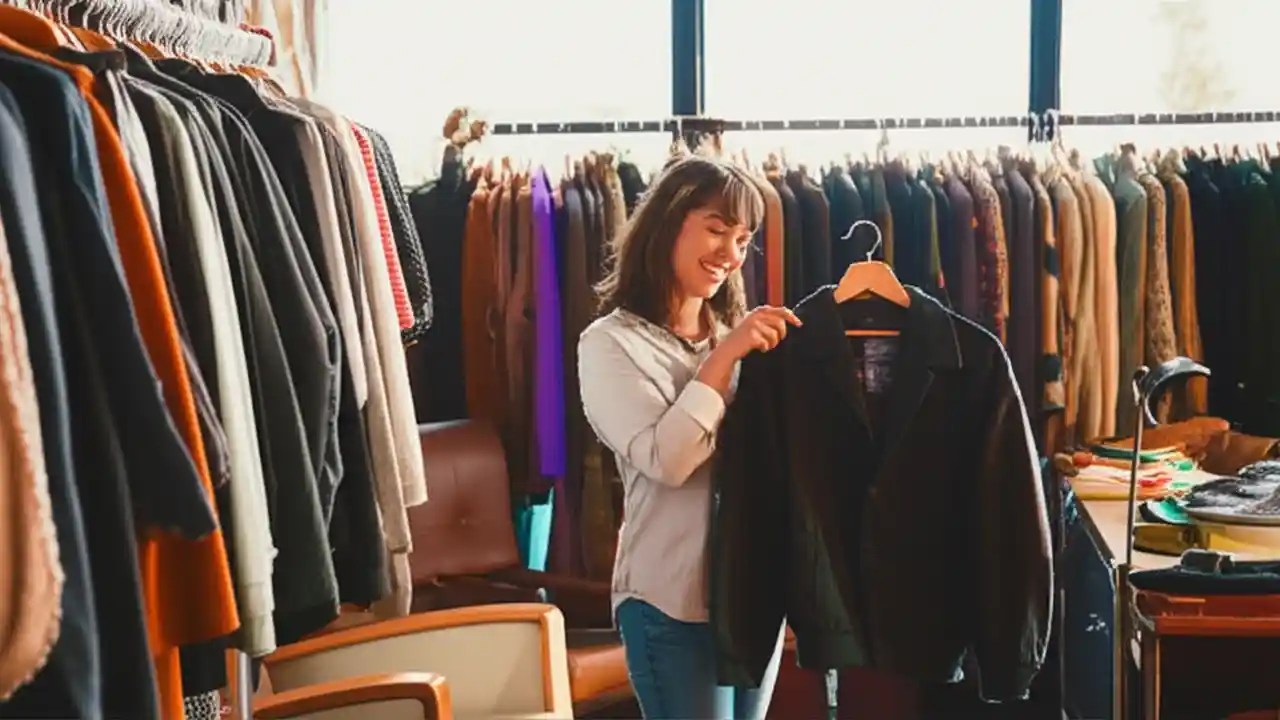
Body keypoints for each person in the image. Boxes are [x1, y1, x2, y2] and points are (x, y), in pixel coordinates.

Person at [578, 154, 798, 719]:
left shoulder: (742, 341)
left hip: (753, 596)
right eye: (717, 230)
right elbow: (669, 461)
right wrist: (725, 357)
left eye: (744, 239)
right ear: (669, 222)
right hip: (669, 603)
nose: (731, 255)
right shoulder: (609, 345)